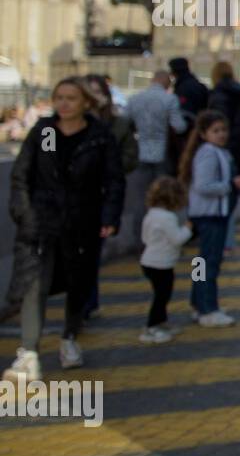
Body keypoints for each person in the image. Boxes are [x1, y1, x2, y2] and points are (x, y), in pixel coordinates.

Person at [2, 77, 125, 379]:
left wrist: (109, 217)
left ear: (85, 102)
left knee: (78, 282)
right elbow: (23, 175)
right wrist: (24, 212)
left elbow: (113, 179)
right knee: (34, 284)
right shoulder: (45, 131)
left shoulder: (99, 136)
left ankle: (69, 337)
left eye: (71, 98)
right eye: (59, 97)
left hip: (83, 221)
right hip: (41, 222)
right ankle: (29, 352)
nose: (64, 104)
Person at [180, 110, 240, 327]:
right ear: (203, 133)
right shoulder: (209, 153)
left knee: (201, 261)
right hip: (210, 214)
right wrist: (231, 185)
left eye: (223, 130)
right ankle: (207, 308)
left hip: (208, 213)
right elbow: (203, 185)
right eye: (215, 130)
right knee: (209, 262)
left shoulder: (215, 151)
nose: (221, 134)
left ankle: (198, 302)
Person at [82, 73, 138, 321]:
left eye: (96, 92)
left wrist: (107, 167)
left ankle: (84, 307)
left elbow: (129, 160)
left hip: (101, 199)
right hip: (68, 203)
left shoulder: (117, 125)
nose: (91, 98)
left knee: (91, 253)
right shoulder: (54, 128)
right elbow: (47, 160)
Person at [138, 175, 191, 344]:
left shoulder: (150, 214)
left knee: (160, 294)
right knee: (161, 296)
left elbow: (145, 238)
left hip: (148, 261)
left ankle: (161, 322)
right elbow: (177, 239)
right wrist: (188, 229)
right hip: (161, 264)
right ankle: (151, 327)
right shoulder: (168, 217)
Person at [207, 61, 240, 252]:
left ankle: (222, 242)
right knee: (230, 195)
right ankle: (228, 241)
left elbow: (218, 126)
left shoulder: (218, 96)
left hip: (223, 150)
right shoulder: (238, 94)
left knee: (221, 196)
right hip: (237, 149)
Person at [126, 69, 186, 181]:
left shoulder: (134, 99)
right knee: (162, 187)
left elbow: (125, 122)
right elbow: (180, 127)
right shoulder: (170, 99)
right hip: (162, 152)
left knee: (142, 186)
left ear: (153, 80)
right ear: (167, 82)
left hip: (140, 151)